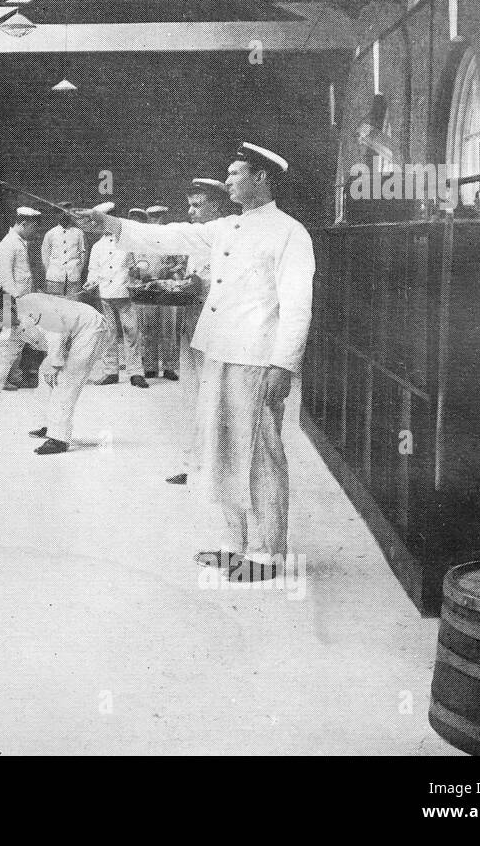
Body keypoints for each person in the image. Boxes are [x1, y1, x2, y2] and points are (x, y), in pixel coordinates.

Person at [74, 143, 314, 582]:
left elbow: (298, 306)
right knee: (220, 451)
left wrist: (284, 365)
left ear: (261, 177)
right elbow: (170, 235)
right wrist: (108, 224)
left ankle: (267, 554)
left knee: (259, 454)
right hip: (219, 351)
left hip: (257, 357)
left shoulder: (290, 233)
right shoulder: (226, 227)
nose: (227, 181)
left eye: (236, 173)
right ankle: (234, 545)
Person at [161, 179, 236, 485]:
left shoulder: (229, 234)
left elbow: (228, 282)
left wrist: (199, 285)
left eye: (197, 205)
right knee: (191, 394)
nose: (190, 211)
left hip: (217, 326)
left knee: (214, 397)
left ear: (216, 206)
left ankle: (214, 468)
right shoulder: (198, 236)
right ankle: (193, 465)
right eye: (189, 205)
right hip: (192, 318)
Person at [0, 292, 108, 455]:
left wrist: (55, 364)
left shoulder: (33, 304)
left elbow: (57, 333)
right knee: (44, 374)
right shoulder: (10, 326)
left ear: (8, 307)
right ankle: (50, 425)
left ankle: (59, 438)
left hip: (88, 328)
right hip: (69, 336)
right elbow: (3, 360)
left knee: (66, 378)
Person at [0, 206, 42, 392]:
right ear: (23, 224)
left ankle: (13, 377)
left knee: (18, 338)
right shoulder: (8, 243)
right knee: (8, 341)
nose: (35, 232)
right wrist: (17, 299)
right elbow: (5, 277)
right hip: (12, 298)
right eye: (33, 227)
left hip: (22, 298)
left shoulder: (19, 241)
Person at [84, 227, 148, 389]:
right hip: (105, 292)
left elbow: (139, 265)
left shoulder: (127, 242)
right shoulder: (97, 246)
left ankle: (136, 372)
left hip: (124, 291)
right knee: (109, 333)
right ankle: (111, 371)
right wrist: (91, 282)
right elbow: (93, 269)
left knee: (132, 331)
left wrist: (136, 273)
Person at [137, 204, 183, 382]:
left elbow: (181, 262)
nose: (157, 221)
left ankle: (170, 367)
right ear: (149, 219)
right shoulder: (143, 240)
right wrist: (143, 273)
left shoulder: (173, 239)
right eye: (153, 218)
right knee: (147, 327)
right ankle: (150, 366)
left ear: (164, 218)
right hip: (148, 286)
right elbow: (138, 262)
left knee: (169, 328)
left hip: (167, 287)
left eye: (160, 217)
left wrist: (170, 269)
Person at [41, 211, 86, 296]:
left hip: (73, 277)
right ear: (57, 215)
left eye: (67, 213)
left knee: (73, 304)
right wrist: (51, 271)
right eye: (61, 212)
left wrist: (77, 271)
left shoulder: (79, 233)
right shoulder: (51, 233)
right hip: (54, 277)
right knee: (54, 304)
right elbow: (45, 255)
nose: (64, 215)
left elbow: (83, 255)